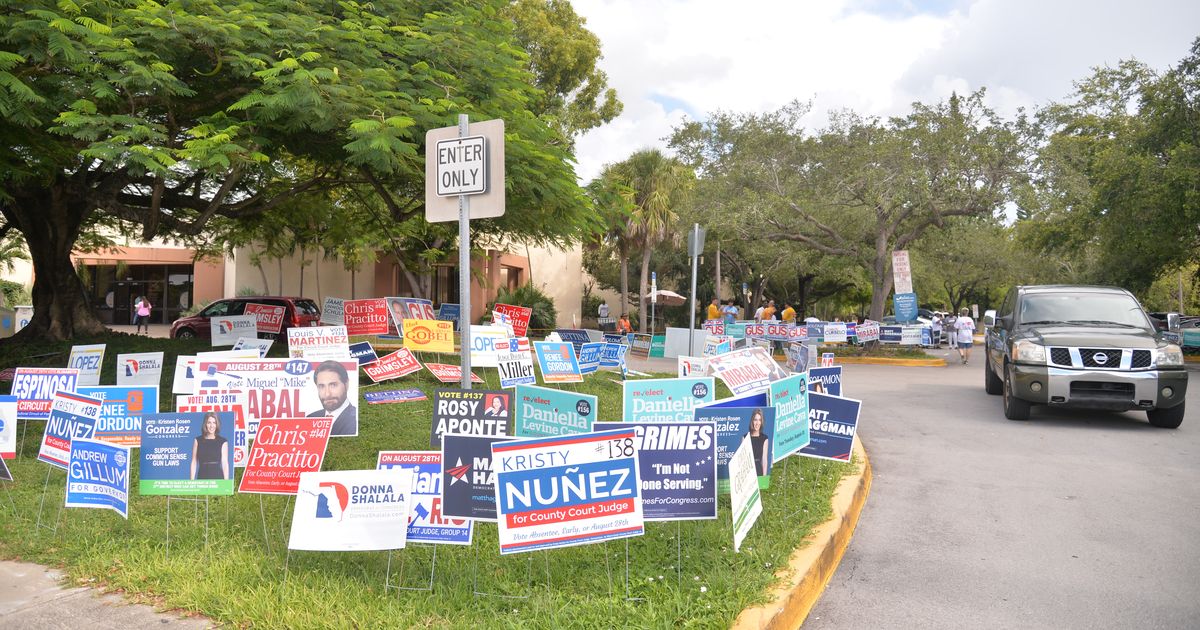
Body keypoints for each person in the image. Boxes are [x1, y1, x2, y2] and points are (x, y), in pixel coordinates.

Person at [307, 360, 358, 436]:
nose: (327, 394)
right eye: (321, 386)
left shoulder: (355, 419)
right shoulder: (310, 418)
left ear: (346, 384)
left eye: (333, 385)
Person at [191, 412, 229, 480]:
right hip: (202, 476)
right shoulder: (197, 440)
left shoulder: (223, 441)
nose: (212, 426)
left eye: (214, 423)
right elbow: (194, 462)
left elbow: (225, 463)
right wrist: (191, 481)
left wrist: (226, 483)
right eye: (209, 423)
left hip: (218, 477)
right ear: (205, 424)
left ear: (217, 424)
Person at [746, 408, 771, 476]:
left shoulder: (764, 438)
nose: (757, 423)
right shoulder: (745, 437)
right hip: (747, 471)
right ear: (752, 421)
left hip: (758, 471)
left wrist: (764, 477)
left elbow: (764, 459)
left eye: (759, 420)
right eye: (755, 420)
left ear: (761, 422)